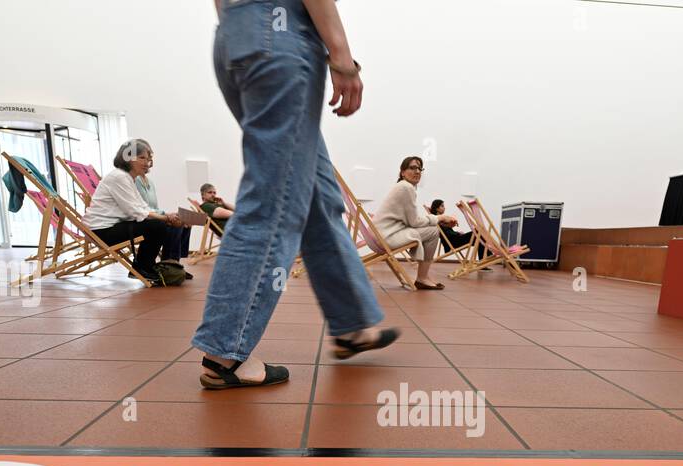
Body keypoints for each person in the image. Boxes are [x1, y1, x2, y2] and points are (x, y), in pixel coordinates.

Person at [192, 0, 400, 390]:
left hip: (235, 36)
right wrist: (342, 57)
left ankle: (351, 323)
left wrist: (248, 29)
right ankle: (225, 354)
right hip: (280, 31)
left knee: (317, 192)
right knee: (273, 200)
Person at [84, 139, 184, 284]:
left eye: (148, 159)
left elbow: (142, 206)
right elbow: (134, 211)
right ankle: (142, 268)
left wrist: (166, 216)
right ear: (128, 158)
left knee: (161, 224)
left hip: (109, 228)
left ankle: (161, 266)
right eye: (142, 158)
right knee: (158, 226)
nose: (146, 163)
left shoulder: (127, 178)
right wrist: (164, 219)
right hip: (101, 231)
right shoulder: (119, 177)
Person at [373, 156, 460, 290]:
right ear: (402, 172)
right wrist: (441, 218)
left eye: (420, 168)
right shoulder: (406, 188)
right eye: (413, 168)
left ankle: (423, 276)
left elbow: (412, 220)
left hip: (379, 235)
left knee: (432, 228)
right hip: (386, 237)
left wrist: (437, 220)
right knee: (433, 231)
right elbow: (414, 222)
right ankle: (422, 277)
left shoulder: (402, 187)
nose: (417, 171)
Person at [134, 163, 191, 265]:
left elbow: (154, 207)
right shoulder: (136, 180)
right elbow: (143, 208)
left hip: (152, 214)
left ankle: (175, 263)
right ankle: (168, 263)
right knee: (175, 224)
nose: (148, 162)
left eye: (149, 159)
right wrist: (167, 216)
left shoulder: (150, 182)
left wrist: (167, 214)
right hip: (142, 217)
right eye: (144, 158)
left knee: (184, 223)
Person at [432, 198, 487, 265]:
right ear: (437, 208)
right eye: (442, 206)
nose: (444, 208)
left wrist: (457, 232)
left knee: (479, 236)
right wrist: (457, 233)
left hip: (455, 240)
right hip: (455, 242)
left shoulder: (439, 219)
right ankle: (486, 258)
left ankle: (484, 260)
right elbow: (448, 234)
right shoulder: (438, 219)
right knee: (478, 233)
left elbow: (447, 232)